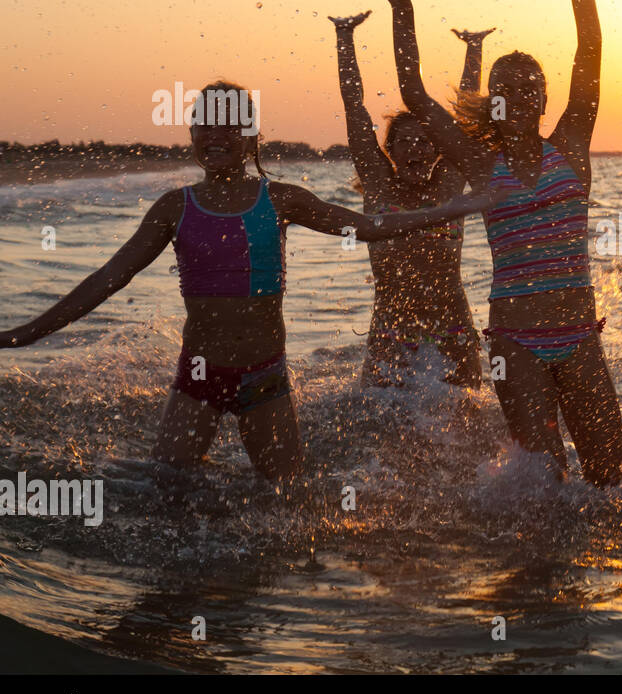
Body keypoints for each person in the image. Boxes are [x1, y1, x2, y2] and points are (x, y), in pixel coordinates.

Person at [0, 82, 495, 481]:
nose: (217, 134)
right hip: (198, 378)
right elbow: (109, 277)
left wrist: (451, 209)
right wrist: (25, 334)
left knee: (286, 500)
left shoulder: (280, 199)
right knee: (166, 488)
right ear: (192, 134)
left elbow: (368, 227)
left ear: (252, 135)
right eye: (205, 123)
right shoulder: (176, 207)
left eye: (231, 124)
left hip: (266, 379)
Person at [375, 0, 622, 487]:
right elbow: (412, 90)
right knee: (543, 482)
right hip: (515, 341)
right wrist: (401, 6)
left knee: (612, 476)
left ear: (543, 97)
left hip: (578, 334)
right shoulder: (482, 166)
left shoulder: (569, 146)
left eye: (533, 85)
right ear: (495, 102)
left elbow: (591, 49)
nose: (524, 95)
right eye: (508, 87)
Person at [331, 10, 494, 387]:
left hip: (452, 323)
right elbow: (355, 110)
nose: (416, 149)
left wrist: (474, 48)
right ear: (390, 149)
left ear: (439, 150)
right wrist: (344, 39)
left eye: (425, 142)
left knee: (470, 425)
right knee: (380, 423)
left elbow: (464, 117)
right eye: (405, 142)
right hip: (391, 326)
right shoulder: (378, 183)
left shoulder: (449, 185)